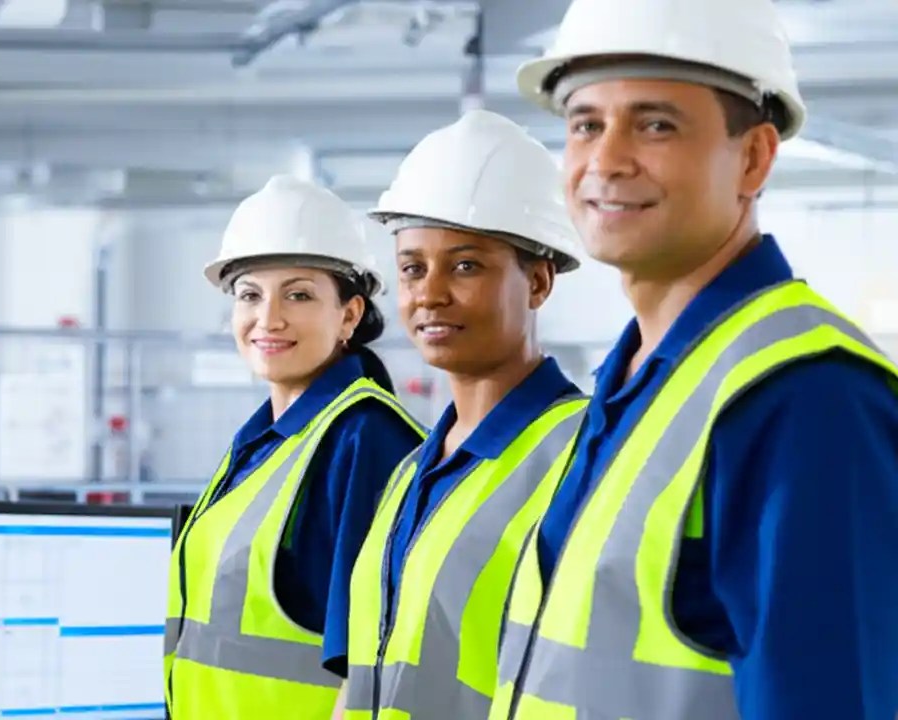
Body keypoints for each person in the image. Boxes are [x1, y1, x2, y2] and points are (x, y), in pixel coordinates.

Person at [490, 0, 898, 718]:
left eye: (655, 124)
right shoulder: (632, 388)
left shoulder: (805, 397)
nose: (606, 160)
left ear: (753, 156)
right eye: (586, 124)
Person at [338, 110, 589, 720]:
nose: (430, 293)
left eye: (466, 265)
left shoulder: (581, 455)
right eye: (412, 268)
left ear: (539, 282)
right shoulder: (409, 476)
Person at [164, 174, 427, 720]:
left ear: (349, 315)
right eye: (250, 295)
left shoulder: (366, 440)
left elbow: (369, 673)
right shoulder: (266, 442)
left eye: (299, 294)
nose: (269, 319)